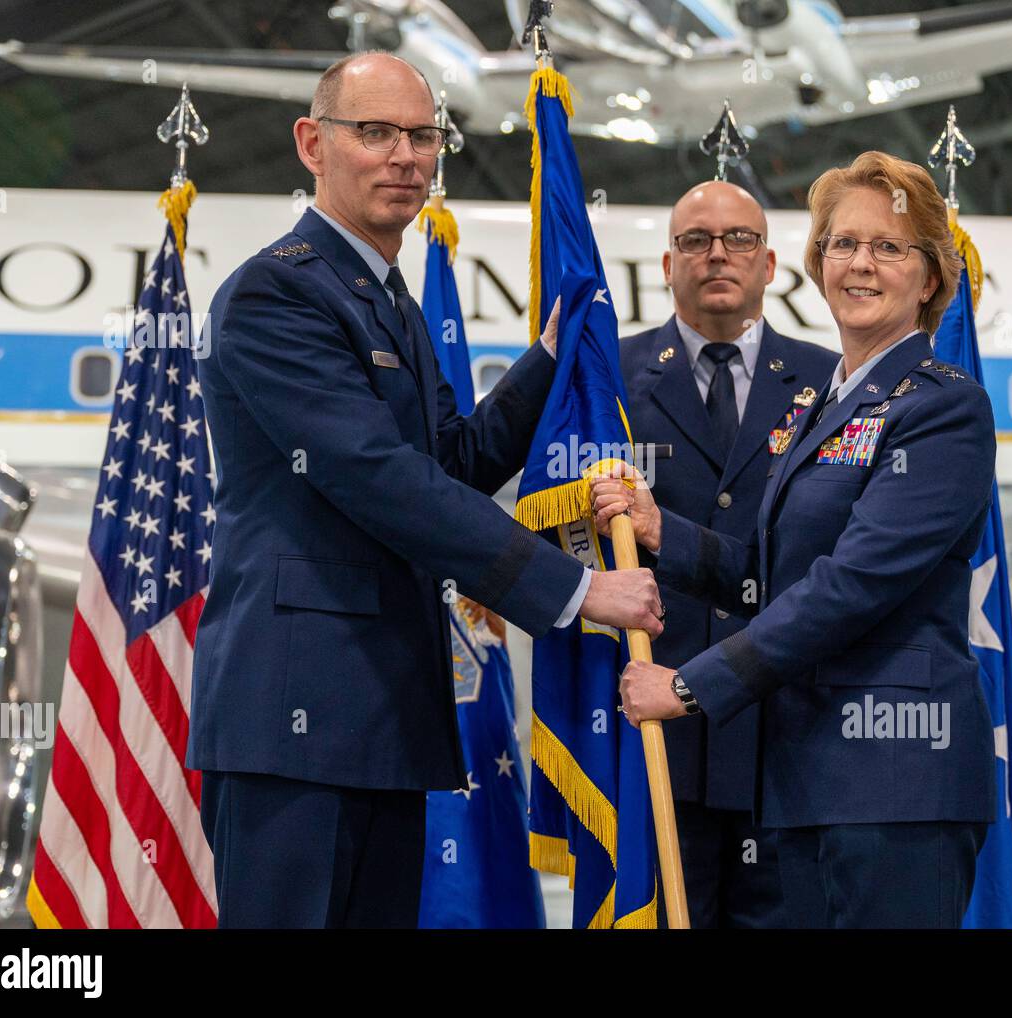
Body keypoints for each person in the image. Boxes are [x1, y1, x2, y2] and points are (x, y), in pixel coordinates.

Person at [187, 52, 663, 928]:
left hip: (379, 721)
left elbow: (448, 459)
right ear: (311, 143)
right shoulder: (276, 294)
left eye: (421, 135)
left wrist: (550, 359)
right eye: (374, 132)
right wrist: (577, 589)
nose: (405, 156)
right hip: (297, 721)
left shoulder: (385, 299)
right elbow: (381, 478)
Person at [593, 151, 997, 929]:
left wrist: (687, 686)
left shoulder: (942, 409)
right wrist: (660, 531)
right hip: (806, 779)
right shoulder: (820, 407)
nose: (861, 264)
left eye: (889, 247)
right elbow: (768, 574)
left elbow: (850, 585)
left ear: (932, 276)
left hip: (895, 783)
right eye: (842, 244)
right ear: (815, 264)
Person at [620, 180, 837, 928]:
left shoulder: (831, 385)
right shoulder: (607, 380)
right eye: (695, 240)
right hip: (650, 737)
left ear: (771, 263)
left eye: (739, 239)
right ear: (667, 262)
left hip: (784, 737)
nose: (718, 254)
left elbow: (828, 561)